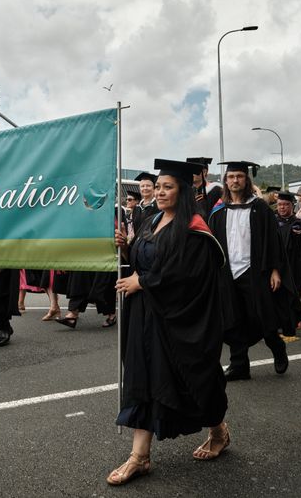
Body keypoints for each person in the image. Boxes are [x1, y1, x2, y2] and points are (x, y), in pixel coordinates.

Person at [108, 159, 228, 486]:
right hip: (145, 316)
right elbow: (140, 261)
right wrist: (125, 250)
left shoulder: (194, 228)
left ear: (183, 191)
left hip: (177, 319)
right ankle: (140, 455)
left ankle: (218, 431)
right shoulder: (150, 221)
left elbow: (186, 274)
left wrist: (143, 283)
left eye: (167, 187)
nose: (160, 192)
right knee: (142, 379)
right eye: (158, 186)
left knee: (191, 379)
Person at [208, 161, 296, 381]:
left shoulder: (259, 208)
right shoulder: (218, 211)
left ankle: (277, 348)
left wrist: (275, 270)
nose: (235, 180)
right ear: (226, 181)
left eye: (239, 176)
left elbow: (273, 241)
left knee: (264, 316)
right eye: (231, 177)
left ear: (246, 180)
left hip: (255, 271)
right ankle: (239, 365)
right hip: (228, 273)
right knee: (233, 319)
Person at [276, 191, 301, 299]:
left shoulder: (298, 223)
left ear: (292, 205)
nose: (282, 207)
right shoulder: (273, 222)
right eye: (279, 204)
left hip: (294, 267)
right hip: (278, 267)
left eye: (285, 204)